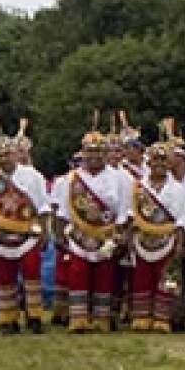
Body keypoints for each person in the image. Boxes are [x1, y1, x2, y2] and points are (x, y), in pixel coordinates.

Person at [51, 125, 132, 333]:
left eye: (98, 151)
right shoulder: (71, 179)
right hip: (78, 235)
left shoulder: (119, 177)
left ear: (105, 154)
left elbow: (125, 209)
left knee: (104, 276)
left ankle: (101, 319)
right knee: (78, 274)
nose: (94, 156)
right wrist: (59, 235)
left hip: (107, 235)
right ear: (83, 153)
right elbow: (62, 211)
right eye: (90, 152)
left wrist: (123, 234)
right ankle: (78, 318)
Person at [0, 127, 52, 333]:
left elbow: (43, 207)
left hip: (29, 233)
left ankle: (35, 317)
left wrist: (45, 233)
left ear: (15, 153)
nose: (4, 159)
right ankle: (8, 319)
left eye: (7, 154)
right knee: (5, 278)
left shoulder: (32, 176)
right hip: (1, 236)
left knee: (32, 275)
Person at [128, 133, 185, 332]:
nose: (159, 164)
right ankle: (141, 317)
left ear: (169, 163)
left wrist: (180, 243)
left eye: (163, 160)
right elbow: (132, 215)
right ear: (148, 162)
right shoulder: (139, 187)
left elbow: (182, 220)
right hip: (142, 239)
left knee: (165, 279)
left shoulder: (178, 189)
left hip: (167, 238)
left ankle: (162, 319)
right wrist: (130, 237)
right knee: (141, 277)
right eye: (155, 159)